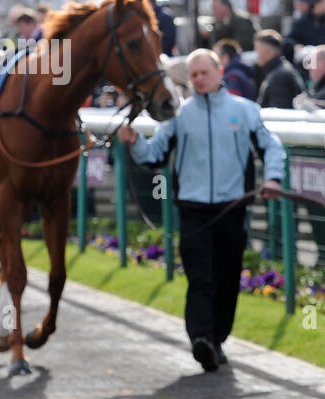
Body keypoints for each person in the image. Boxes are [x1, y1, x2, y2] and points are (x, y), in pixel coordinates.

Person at [117, 48, 285, 372]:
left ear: (219, 72)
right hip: (193, 210)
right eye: (193, 75)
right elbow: (153, 156)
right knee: (200, 276)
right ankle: (200, 339)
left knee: (227, 277)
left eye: (204, 73)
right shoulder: (179, 116)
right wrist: (134, 141)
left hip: (232, 207)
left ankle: (216, 338)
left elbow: (271, 146)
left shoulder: (245, 110)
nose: (198, 80)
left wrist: (274, 178)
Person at [254, 29, 305, 108]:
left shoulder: (279, 76)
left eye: (257, 50)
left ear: (267, 52)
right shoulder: (280, 70)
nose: (256, 55)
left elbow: (280, 113)